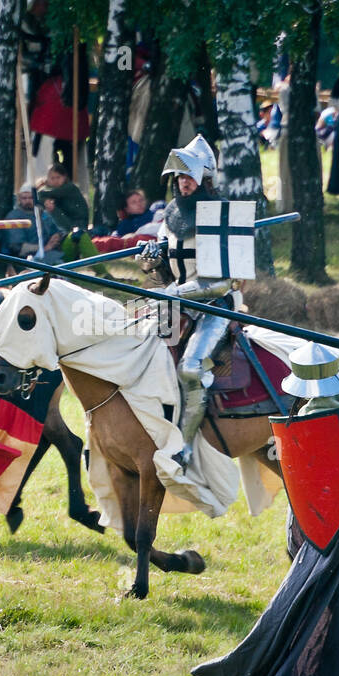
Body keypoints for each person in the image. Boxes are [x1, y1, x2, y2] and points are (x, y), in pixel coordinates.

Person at [138, 134, 230, 467]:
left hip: (212, 308)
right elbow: (161, 271)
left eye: (189, 177)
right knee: (137, 354)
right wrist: (150, 258)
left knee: (190, 369)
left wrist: (179, 292)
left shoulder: (217, 215)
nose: (183, 183)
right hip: (172, 305)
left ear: (205, 178)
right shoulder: (170, 216)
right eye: (179, 177)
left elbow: (222, 283)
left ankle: (186, 447)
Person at [35, 161, 89, 252]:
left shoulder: (69, 188)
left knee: (51, 207)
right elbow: (38, 198)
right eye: (52, 178)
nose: (55, 181)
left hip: (78, 223)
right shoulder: (55, 190)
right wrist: (45, 201)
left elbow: (42, 194)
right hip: (68, 220)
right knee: (48, 206)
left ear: (64, 177)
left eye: (58, 177)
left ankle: (62, 235)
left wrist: (42, 189)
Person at [3, 183, 42, 258]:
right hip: (24, 260)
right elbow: (18, 247)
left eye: (31, 198)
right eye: (24, 198)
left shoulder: (43, 213)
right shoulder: (13, 217)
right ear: (19, 199)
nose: (28, 201)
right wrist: (44, 248)